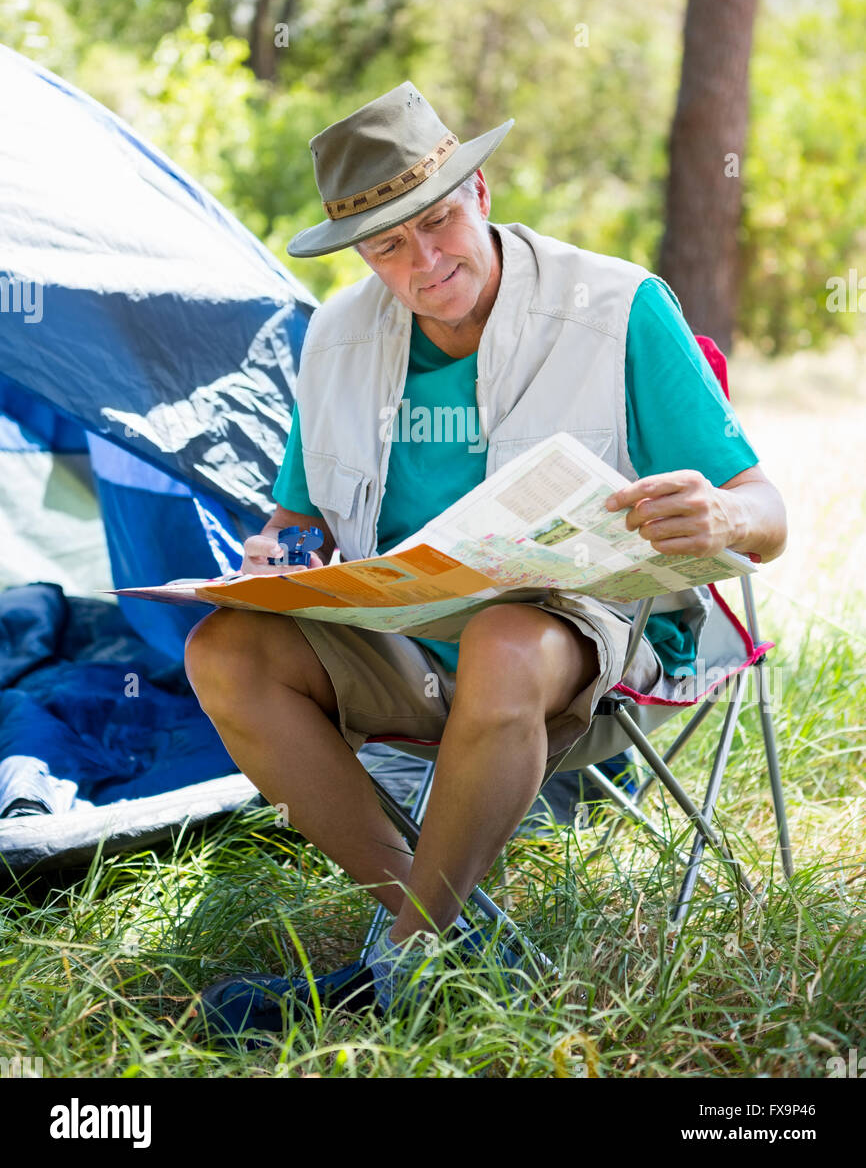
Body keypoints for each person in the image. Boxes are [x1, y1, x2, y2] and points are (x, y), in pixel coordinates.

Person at [185, 82, 787, 1024]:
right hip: (404, 639)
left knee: (506, 637)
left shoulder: (618, 304)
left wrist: (721, 520)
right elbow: (298, 518)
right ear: (360, 255)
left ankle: (401, 965)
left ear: (483, 195)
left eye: (440, 220)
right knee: (222, 648)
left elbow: (767, 513)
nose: (426, 261)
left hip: (585, 642)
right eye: (388, 244)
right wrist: (277, 549)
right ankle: (438, 940)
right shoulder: (334, 339)